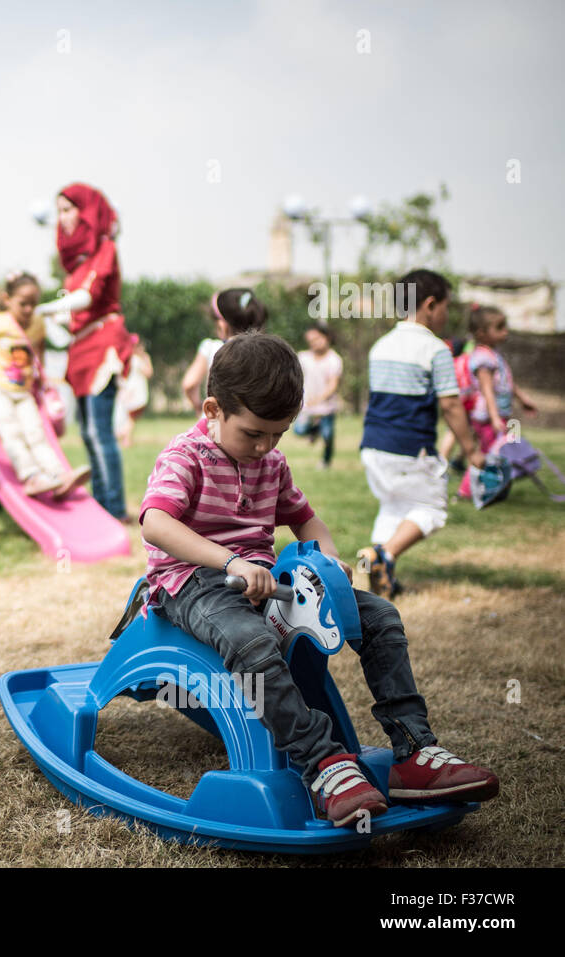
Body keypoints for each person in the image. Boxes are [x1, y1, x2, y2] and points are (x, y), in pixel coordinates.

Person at [139, 332, 499, 828]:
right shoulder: (186, 456)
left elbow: (307, 522)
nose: (265, 446)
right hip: (193, 581)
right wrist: (229, 562)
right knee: (252, 641)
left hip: (267, 579)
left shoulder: (271, 462)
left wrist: (328, 564)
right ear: (213, 409)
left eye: (278, 435)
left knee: (378, 615)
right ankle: (324, 763)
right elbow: (156, 522)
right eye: (254, 433)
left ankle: (415, 751)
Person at [357, 270, 487, 597]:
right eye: (446, 306)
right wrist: (471, 450)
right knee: (433, 508)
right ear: (430, 305)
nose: (447, 313)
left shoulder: (380, 346)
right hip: (409, 447)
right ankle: (382, 554)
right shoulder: (436, 349)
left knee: (393, 506)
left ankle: (382, 576)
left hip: (373, 446)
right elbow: (452, 406)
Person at [0, 272, 89, 496]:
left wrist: (40, 378)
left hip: (22, 391)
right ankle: (31, 476)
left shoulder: (38, 323)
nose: (29, 309)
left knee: (36, 432)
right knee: (11, 430)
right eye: (23, 304)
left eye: (33, 304)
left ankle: (58, 475)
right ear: (7, 299)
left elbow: (38, 351)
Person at [52, 184, 135, 522]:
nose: (63, 218)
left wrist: (46, 309)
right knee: (86, 431)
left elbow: (88, 297)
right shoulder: (76, 263)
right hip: (81, 346)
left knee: (100, 431)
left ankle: (114, 508)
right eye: (59, 211)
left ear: (87, 212)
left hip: (103, 343)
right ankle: (103, 503)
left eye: (69, 209)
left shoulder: (105, 248)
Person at [456, 304, 538, 498]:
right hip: (487, 416)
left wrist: (523, 399)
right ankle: (466, 490)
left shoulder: (494, 356)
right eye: (499, 328)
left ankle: (493, 489)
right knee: (488, 453)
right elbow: (486, 390)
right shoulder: (483, 358)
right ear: (481, 333)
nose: (505, 332)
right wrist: (494, 417)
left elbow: (508, 384)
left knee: (496, 453)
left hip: (498, 414)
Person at [181, 288, 268, 414]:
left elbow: (189, 384)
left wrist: (198, 406)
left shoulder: (210, 347)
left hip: (216, 422)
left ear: (222, 325)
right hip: (252, 423)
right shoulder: (265, 351)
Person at [292, 321, 343, 469]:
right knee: (299, 430)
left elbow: (333, 384)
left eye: (317, 340)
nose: (314, 344)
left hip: (326, 406)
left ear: (326, 337)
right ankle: (315, 430)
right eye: (311, 341)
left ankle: (326, 462)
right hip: (308, 405)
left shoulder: (334, 360)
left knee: (328, 436)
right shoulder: (303, 358)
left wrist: (320, 399)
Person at [114, 334, 153, 447]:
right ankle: (122, 435)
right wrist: (146, 359)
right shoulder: (136, 359)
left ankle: (126, 440)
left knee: (129, 418)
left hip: (129, 391)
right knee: (131, 418)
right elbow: (148, 372)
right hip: (135, 392)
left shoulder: (127, 358)